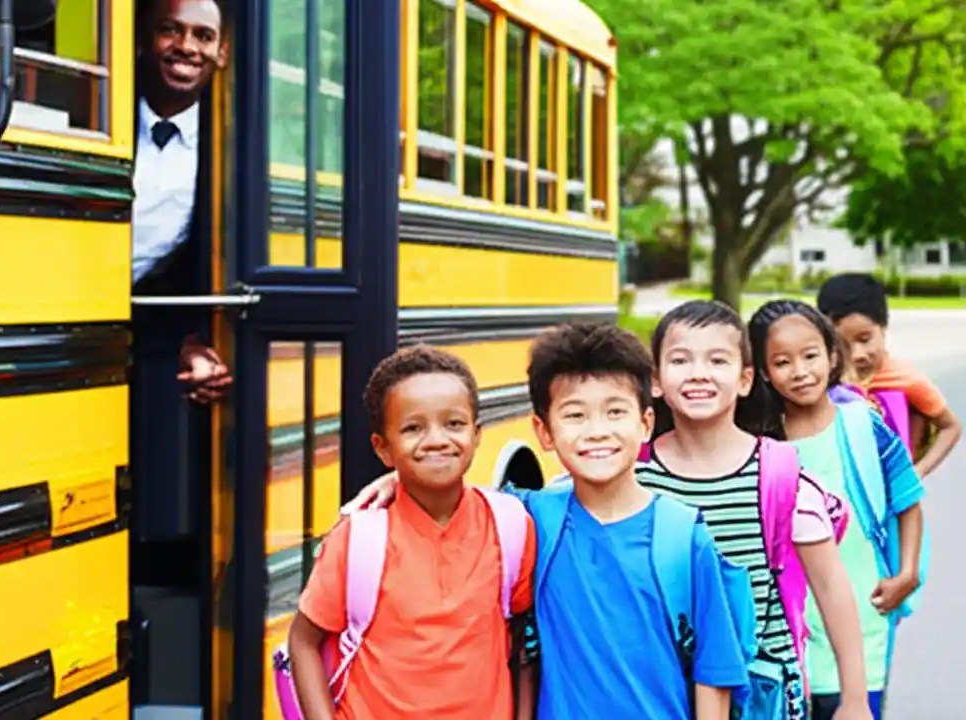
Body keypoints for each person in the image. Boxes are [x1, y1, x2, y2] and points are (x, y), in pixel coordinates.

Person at [344, 324, 751, 719]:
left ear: (645, 423)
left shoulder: (683, 534)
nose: (597, 432)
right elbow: (453, 493)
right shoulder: (527, 518)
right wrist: (401, 475)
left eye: (615, 412)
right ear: (544, 431)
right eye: (575, 415)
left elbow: (714, 671)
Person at [640, 300, 870, 720]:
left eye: (717, 360)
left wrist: (853, 701)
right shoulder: (634, 475)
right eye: (680, 360)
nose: (698, 373)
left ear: (745, 379)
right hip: (660, 692)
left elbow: (832, 586)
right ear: (655, 380)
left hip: (761, 697)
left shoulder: (778, 476)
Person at [287, 346, 537, 719]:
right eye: (412, 428)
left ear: (477, 434)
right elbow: (303, 641)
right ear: (382, 448)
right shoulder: (358, 539)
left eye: (453, 424)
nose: (437, 439)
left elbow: (521, 645)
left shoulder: (511, 527)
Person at [748, 300, 928, 720]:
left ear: (831, 355)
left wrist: (907, 573)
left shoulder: (863, 425)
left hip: (864, 614)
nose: (800, 371)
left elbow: (908, 499)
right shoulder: (763, 444)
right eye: (782, 362)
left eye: (810, 356)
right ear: (761, 372)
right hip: (789, 625)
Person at [134, 0, 231, 403]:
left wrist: (190, 342)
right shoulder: (96, 109)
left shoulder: (229, 147)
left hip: (155, 339)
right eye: (170, 30)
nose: (187, 46)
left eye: (203, 36)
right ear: (143, 38)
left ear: (222, 53)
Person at [815, 272, 960, 477]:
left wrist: (918, 472)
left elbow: (950, 427)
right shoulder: (823, 381)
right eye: (842, 345)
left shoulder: (905, 378)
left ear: (883, 328)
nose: (857, 354)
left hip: (892, 497)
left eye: (865, 339)